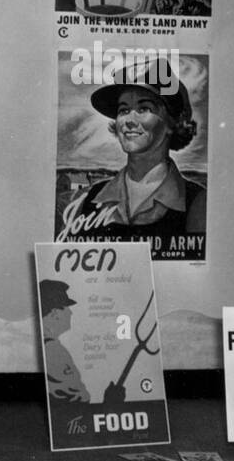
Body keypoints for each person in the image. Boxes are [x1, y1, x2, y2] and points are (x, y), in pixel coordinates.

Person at [57, 56, 206, 249]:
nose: (129, 120)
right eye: (124, 110)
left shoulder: (197, 202)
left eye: (144, 108)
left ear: (171, 123)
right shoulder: (87, 200)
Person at [40, 280, 90, 402]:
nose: (70, 312)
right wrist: (112, 401)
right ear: (55, 313)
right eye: (67, 307)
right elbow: (78, 399)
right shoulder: (52, 349)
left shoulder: (44, 344)